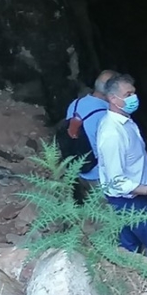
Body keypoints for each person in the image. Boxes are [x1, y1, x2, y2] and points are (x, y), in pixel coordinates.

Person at [96, 73, 147, 264]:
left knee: (129, 248)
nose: (134, 98)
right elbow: (116, 181)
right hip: (130, 201)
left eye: (134, 93)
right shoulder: (112, 133)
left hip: (133, 197)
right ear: (113, 99)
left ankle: (132, 277)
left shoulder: (126, 122)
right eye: (128, 94)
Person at [62, 69, 115, 201]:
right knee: (106, 211)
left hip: (76, 168)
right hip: (98, 175)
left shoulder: (75, 104)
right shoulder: (107, 115)